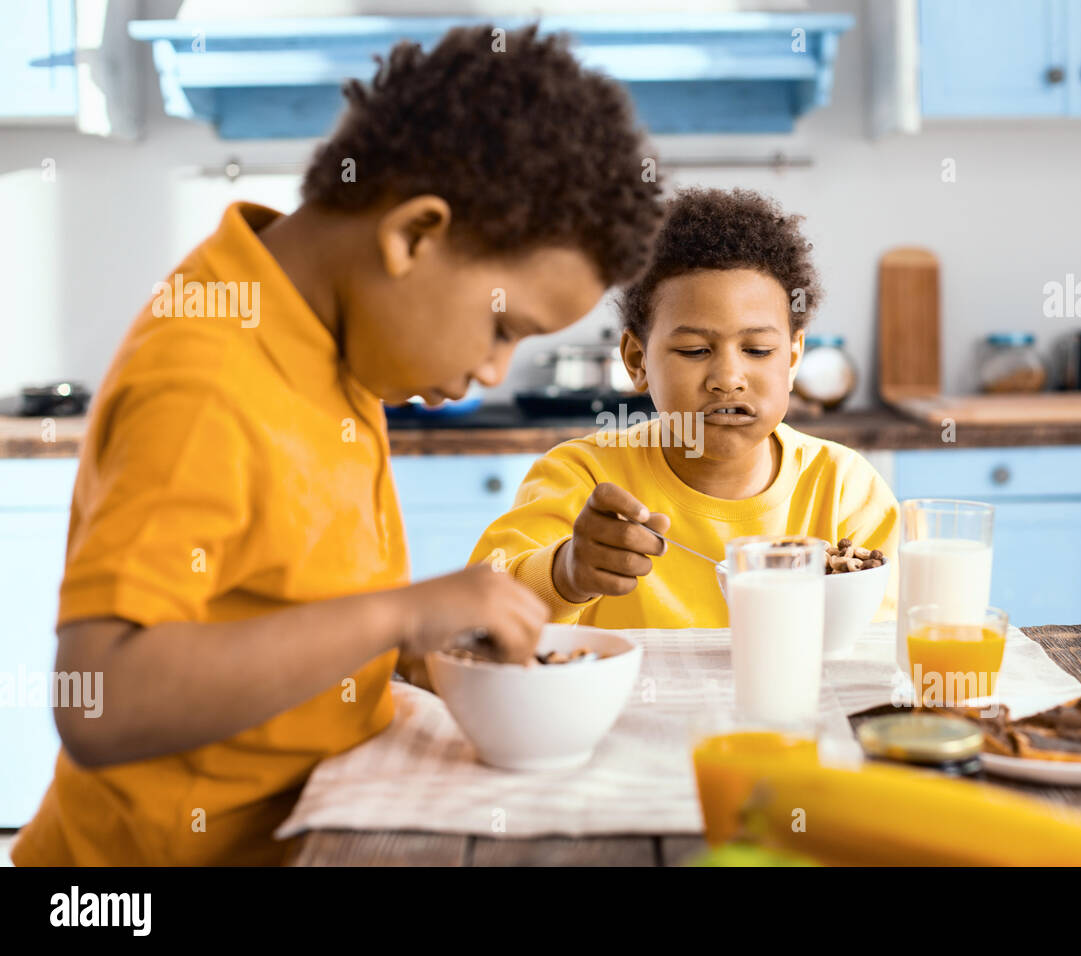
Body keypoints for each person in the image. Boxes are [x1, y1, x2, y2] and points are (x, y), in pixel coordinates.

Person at [12, 25, 663, 866]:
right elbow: (101, 702)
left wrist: (420, 646)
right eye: (502, 327)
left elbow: (282, 607)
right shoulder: (205, 379)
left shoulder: (330, 340)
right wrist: (403, 611)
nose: (492, 368)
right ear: (413, 236)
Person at [471, 187, 899, 629]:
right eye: (695, 350)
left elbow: (878, 656)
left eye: (756, 349)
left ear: (792, 359)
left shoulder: (845, 490)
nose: (728, 378)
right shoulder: (581, 478)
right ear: (637, 361)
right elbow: (475, 619)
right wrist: (566, 574)